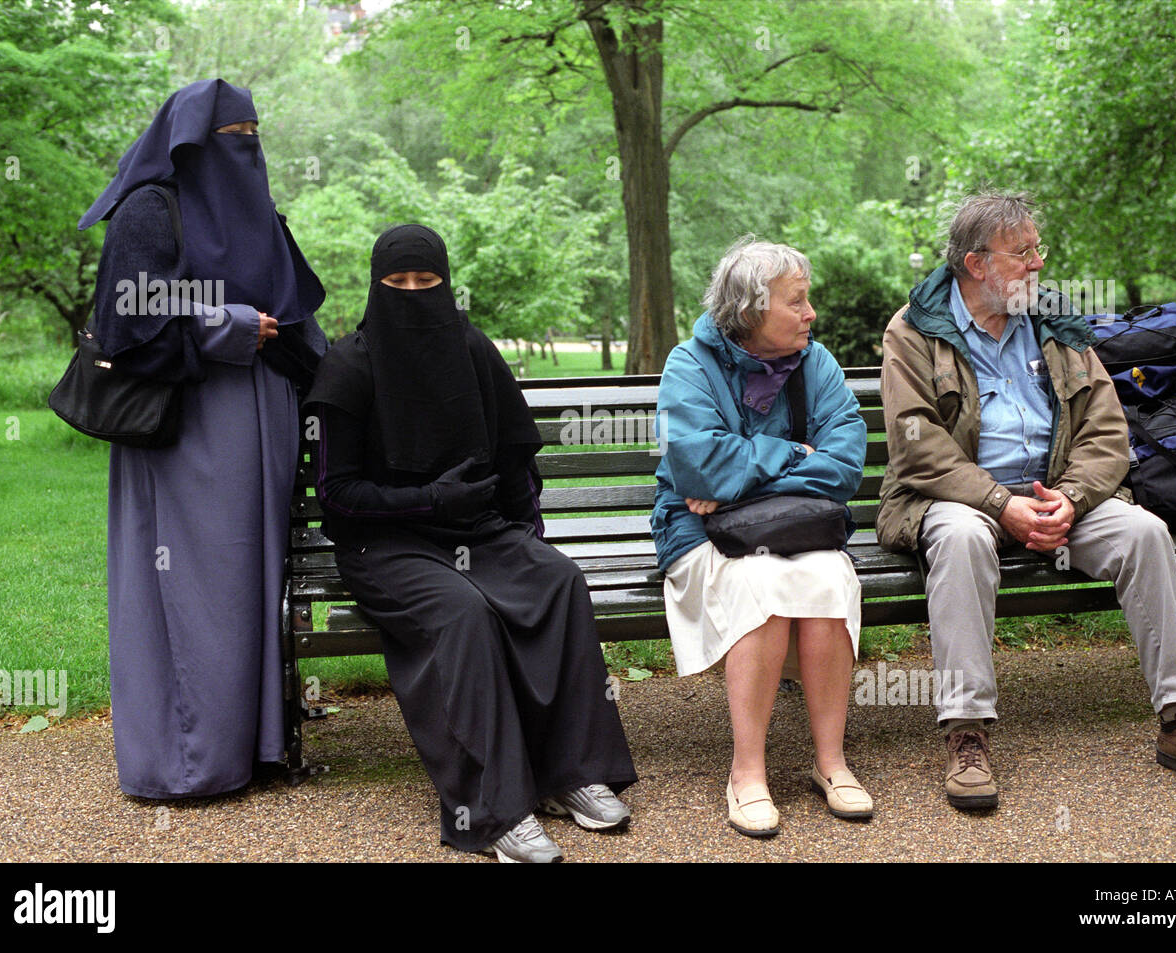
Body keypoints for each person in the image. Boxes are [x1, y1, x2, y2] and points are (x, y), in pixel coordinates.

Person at [876, 190, 1176, 809]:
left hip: (1057, 493)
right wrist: (1001, 504)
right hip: (958, 498)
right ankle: (966, 733)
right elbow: (918, 446)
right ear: (976, 264)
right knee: (964, 540)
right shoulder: (914, 329)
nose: (1038, 264)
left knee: (1144, 533)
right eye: (1023, 253)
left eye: (1037, 250)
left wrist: (1071, 498)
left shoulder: (1054, 320)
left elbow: (1107, 431)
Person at [303, 224, 637, 863]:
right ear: (376, 287)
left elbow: (514, 462)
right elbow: (339, 493)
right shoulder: (351, 363)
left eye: (425, 281)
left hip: (477, 533)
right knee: (464, 613)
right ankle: (493, 811)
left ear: (445, 284)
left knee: (558, 580)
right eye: (396, 283)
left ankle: (570, 775)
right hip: (385, 544)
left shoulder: (472, 350)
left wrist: (523, 538)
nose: (412, 292)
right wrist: (427, 499)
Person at [78, 79, 328, 798]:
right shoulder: (152, 210)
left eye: (254, 132)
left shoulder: (261, 215)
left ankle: (254, 746)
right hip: (187, 434)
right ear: (192, 143)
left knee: (252, 587)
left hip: (265, 431)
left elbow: (297, 319)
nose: (247, 147)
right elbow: (130, 317)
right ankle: (187, 760)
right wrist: (229, 327)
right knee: (193, 593)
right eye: (232, 134)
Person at [652, 238, 869, 838]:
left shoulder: (816, 363)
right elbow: (697, 471)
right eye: (796, 302)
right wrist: (795, 453)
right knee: (760, 582)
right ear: (750, 311)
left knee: (828, 576)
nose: (810, 313)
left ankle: (832, 762)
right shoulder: (689, 366)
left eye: (808, 300)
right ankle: (747, 773)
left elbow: (846, 465)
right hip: (700, 532)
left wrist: (744, 471)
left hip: (798, 528)